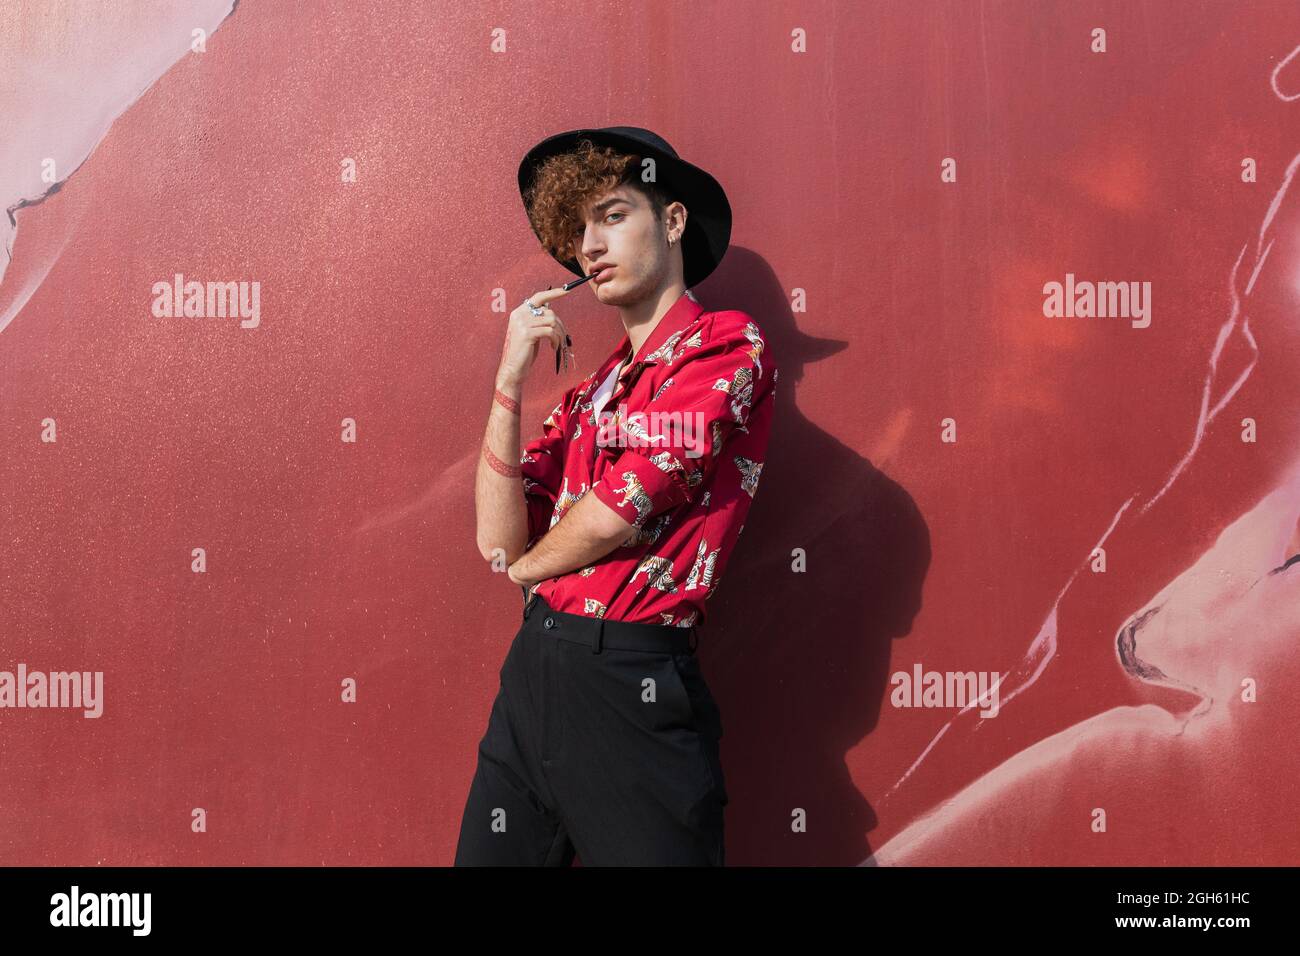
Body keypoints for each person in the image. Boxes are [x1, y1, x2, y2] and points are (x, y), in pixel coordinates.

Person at [455, 127, 777, 866]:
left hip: (628, 681)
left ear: (671, 221)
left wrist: (527, 571)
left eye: (612, 215)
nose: (588, 245)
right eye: (578, 231)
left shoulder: (726, 347)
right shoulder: (588, 394)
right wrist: (510, 376)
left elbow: (617, 510)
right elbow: (498, 541)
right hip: (533, 680)